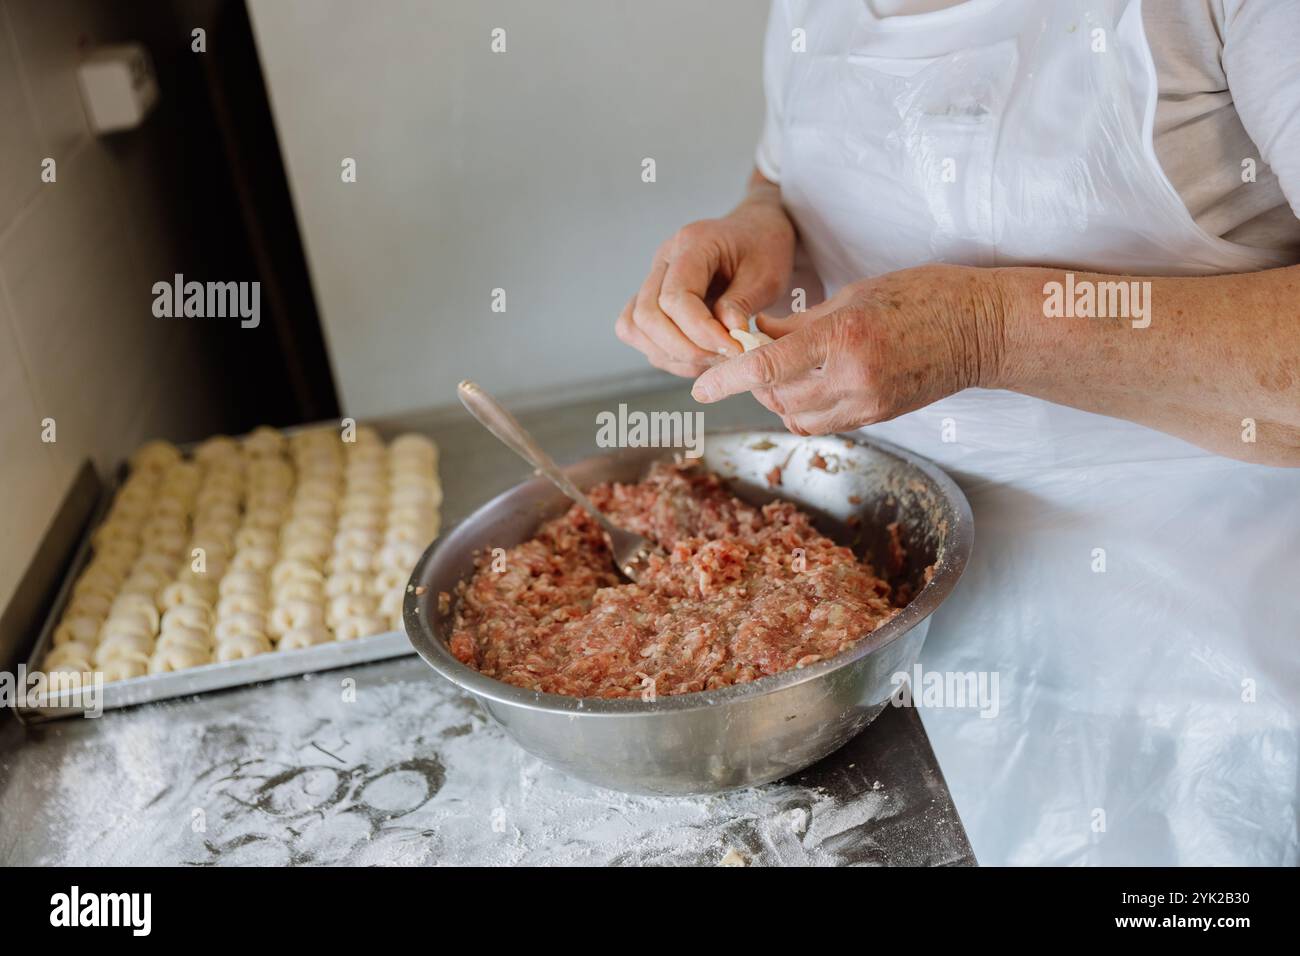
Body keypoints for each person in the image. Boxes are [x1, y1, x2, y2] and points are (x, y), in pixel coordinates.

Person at [616, 0, 1299, 865]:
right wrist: (765, 224)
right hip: (887, 673)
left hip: (1211, 690)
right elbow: (786, 176)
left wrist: (990, 331)